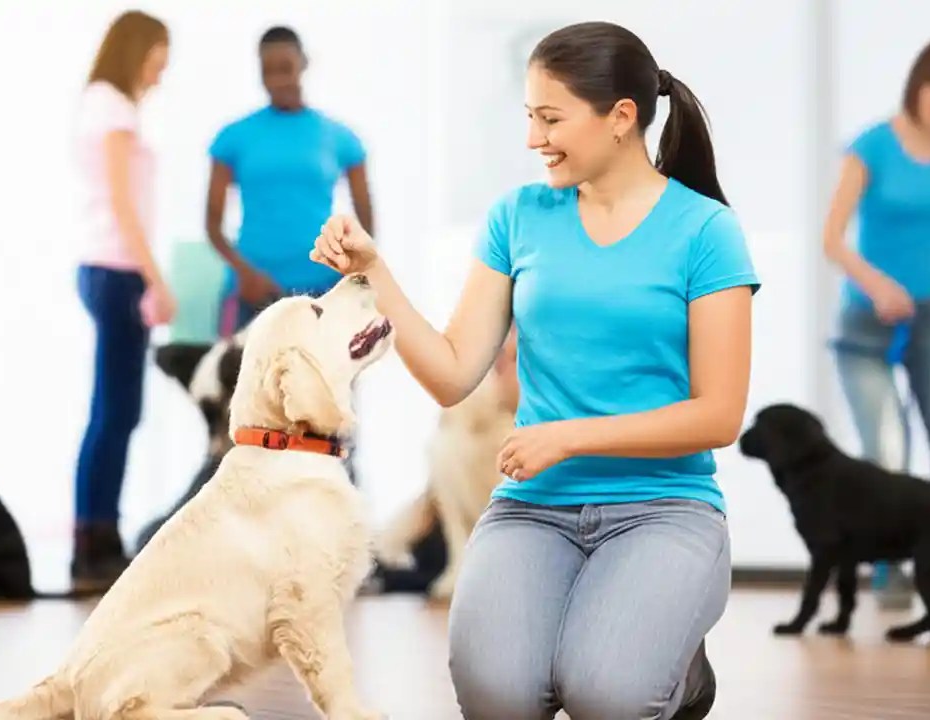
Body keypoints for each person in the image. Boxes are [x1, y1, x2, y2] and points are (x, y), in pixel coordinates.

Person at [313, 21, 757, 720]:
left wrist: (571, 436)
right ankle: (623, 642)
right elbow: (455, 372)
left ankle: (678, 673)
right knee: (500, 698)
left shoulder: (705, 231)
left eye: (551, 119)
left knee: (605, 695)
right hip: (533, 511)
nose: (533, 139)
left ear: (621, 118)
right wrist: (376, 275)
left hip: (665, 509)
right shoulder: (518, 218)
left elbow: (719, 414)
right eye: (530, 118)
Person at [823, 36, 930, 609]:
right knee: (887, 449)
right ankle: (885, 569)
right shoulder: (871, 146)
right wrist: (876, 283)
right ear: (921, 81)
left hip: (928, 318)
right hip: (864, 322)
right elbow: (833, 240)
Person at [69, 10, 173, 591]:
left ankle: (98, 537)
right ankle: (93, 544)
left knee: (116, 410)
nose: (161, 71)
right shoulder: (111, 105)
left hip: (110, 268)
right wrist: (156, 280)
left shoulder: (106, 103)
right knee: (114, 411)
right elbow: (122, 203)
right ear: (138, 49)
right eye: (159, 56)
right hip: (116, 269)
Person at [206, 25, 374, 335]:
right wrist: (245, 275)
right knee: (244, 384)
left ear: (304, 64)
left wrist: (355, 275)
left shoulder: (340, 138)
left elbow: (365, 216)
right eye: (267, 71)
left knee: (327, 384)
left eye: (285, 68)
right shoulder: (233, 137)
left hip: (322, 293)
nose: (277, 80)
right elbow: (213, 225)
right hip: (251, 293)